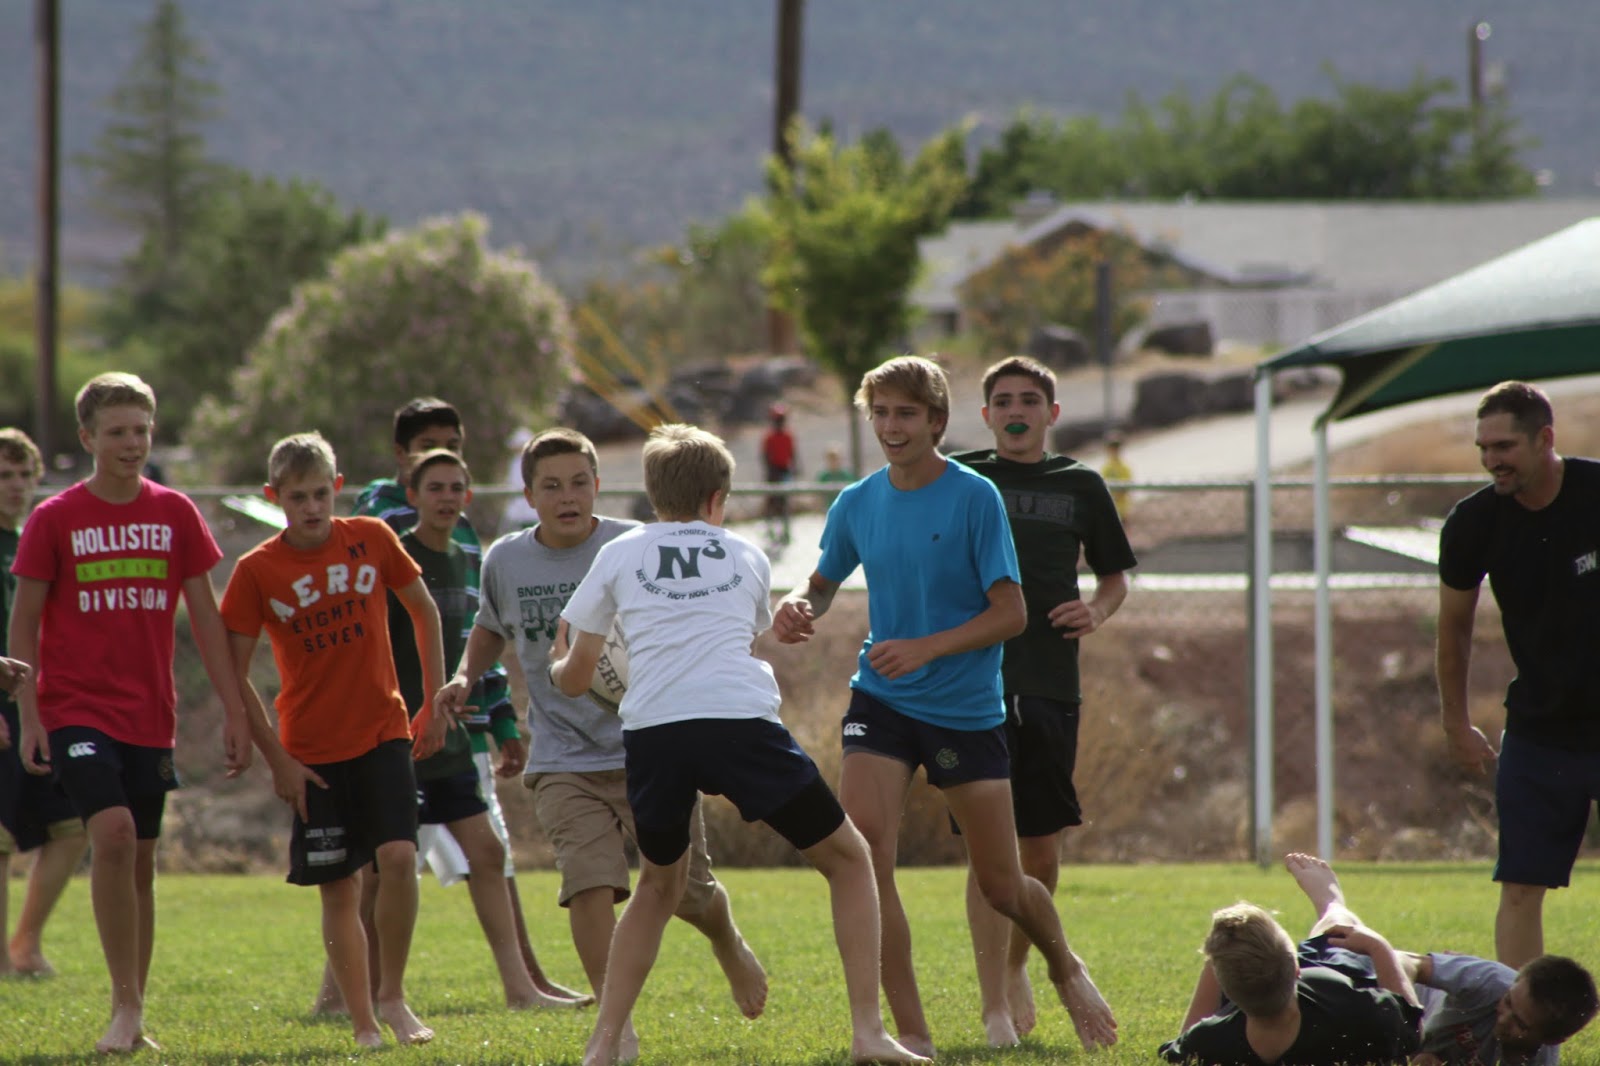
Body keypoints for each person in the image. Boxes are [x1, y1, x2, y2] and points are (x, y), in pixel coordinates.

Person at [547, 422, 924, 1066]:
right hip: (737, 724)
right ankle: (868, 1033)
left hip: (655, 733)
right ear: (718, 499)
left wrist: (558, 661)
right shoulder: (747, 554)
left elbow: (578, 679)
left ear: (650, 493)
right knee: (849, 859)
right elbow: (734, 640)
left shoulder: (616, 554)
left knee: (656, 889)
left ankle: (604, 1046)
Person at [773, 354, 1118, 1055]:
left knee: (1000, 885)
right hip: (881, 700)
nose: (892, 426)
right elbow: (822, 581)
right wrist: (797, 606)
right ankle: (910, 1034)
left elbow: (1013, 613)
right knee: (867, 861)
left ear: (936, 421)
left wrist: (929, 648)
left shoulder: (973, 496)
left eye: (907, 414)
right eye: (882, 413)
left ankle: (1063, 964)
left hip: (964, 709)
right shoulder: (858, 500)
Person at [436, 427, 765, 1056]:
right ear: (528, 495)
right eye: (551, 486)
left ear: (598, 484)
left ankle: (727, 940)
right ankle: (618, 1027)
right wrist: (463, 677)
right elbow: (488, 627)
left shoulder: (634, 546)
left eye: (580, 482)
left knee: (689, 894)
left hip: (651, 743)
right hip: (561, 755)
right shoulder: (504, 558)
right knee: (588, 883)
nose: (568, 496)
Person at [9, 372, 252, 1053]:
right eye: (117, 432)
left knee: (140, 859)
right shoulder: (55, 520)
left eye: (141, 430)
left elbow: (206, 618)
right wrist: (30, 714)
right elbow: (23, 623)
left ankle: (135, 1013)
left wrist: (236, 711)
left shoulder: (175, 513)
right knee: (110, 834)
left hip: (152, 715)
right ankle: (120, 1007)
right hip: (75, 710)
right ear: (88, 439)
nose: (132, 443)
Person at [351, 396, 581, 1003]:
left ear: (468, 495)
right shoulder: (388, 546)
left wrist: (500, 720)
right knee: (381, 869)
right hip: (394, 731)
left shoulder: (470, 553)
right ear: (411, 485)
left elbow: (480, 641)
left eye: (457, 486)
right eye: (435, 484)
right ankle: (361, 992)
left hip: (451, 731)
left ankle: (519, 988)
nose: (447, 496)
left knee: (487, 851)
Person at [221, 431, 447, 1049]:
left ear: (337, 488)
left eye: (321, 493)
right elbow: (233, 672)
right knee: (339, 888)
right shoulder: (256, 570)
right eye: (298, 497)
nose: (312, 507)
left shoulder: (371, 538)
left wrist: (433, 701)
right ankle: (364, 1023)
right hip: (312, 753)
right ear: (275, 497)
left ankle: (393, 995)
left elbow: (423, 610)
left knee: (400, 859)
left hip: (383, 732)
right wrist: (278, 759)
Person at [951, 355, 1137, 1046]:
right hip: (971, 688)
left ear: (1053, 413)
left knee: (1042, 855)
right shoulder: (962, 479)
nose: (1016, 409)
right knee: (986, 855)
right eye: (1003, 400)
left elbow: (1115, 578)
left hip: (1052, 682)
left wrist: (1098, 610)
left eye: (1029, 398)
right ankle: (995, 1002)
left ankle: (1020, 962)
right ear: (987, 414)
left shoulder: (1082, 484)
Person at [1435, 380, 1600, 969]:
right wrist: (1455, 722)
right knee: (1522, 888)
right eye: (1484, 448)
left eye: (1504, 446)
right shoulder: (1474, 523)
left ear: (1545, 439)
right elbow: (1453, 628)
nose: (1491, 460)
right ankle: (1525, 1031)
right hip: (1539, 731)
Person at [1161, 853, 1423, 1064]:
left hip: (1274, 987)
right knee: (1337, 926)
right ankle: (1331, 902)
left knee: (1328, 936)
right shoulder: (1359, 1014)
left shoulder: (1211, 1040)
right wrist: (1379, 948)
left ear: (1227, 994)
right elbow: (1410, 1031)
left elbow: (1183, 1046)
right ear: (1296, 968)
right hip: (1334, 973)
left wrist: (1218, 958)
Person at [0, 428, 87, 978]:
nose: (15, 485)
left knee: (72, 826)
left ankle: (24, 946)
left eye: (23, 474)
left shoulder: (35, 540)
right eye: (4, 475)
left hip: (43, 706)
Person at [761, 402, 798, 545]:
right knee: (771, 503)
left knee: (785, 503)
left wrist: (794, 468)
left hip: (784, 471)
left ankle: (785, 531)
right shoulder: (769, 437)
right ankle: (770, 530)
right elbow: (765, 455)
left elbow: (792, 453)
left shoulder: (788, 435)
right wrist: (770, 471)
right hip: (773, 471)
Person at [1099, 431, 1133, 521]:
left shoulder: (1125, 467)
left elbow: (1127, 487)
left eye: (1116, 448)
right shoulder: (1105, 468)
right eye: (1112, 448)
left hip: (1122, 510)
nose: (1114, 451)